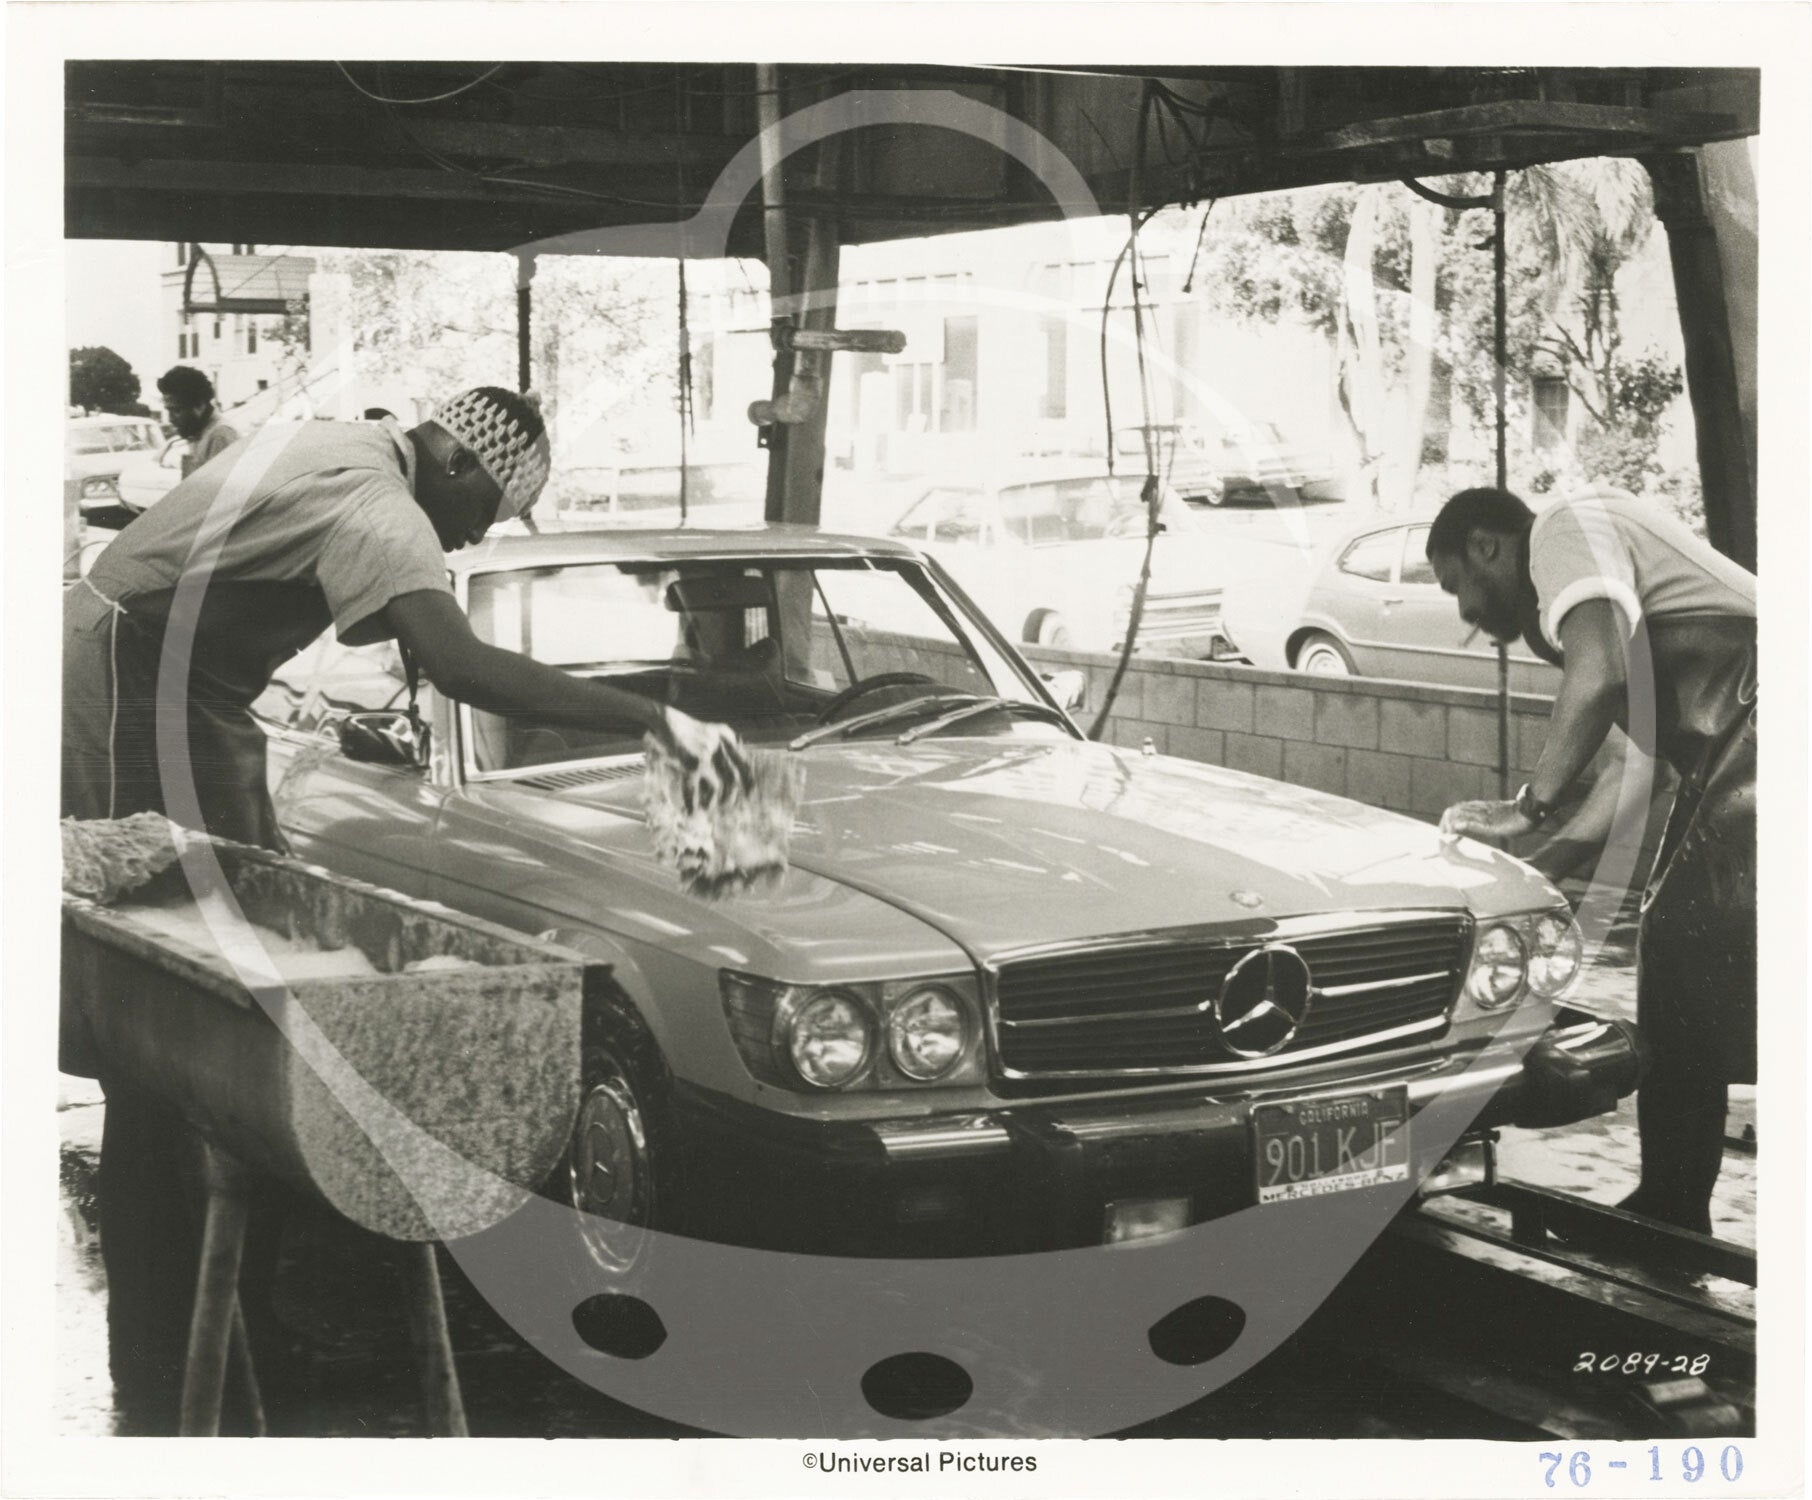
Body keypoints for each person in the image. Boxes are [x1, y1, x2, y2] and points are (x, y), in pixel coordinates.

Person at [62, 386, 749, 1430]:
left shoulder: (340, 439)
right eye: (480, 518)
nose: (468, 539)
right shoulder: (384, 505)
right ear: (463, 467)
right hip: (132, 678)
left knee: (240, 929)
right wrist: (656, 718)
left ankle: (233, 1302)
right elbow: (458, 665)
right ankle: (163, 1363)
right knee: (174, 985)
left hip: (180, 680)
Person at [1427, 485, 1756, 1235]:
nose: (1466, 616)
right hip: (1736, 747)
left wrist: (1525, 807)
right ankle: (1673, 1204)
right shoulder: (1585, 603)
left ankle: (1674, 1204)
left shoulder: (1563, 527)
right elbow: (1638, 773)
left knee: (1687, 948)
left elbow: (1600, 672)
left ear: (1486, 545)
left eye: (1457, 587)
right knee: (1678, 962)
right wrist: (1537, 868)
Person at [156, 365, 241, 478]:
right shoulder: (197, 431)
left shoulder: (219, 436)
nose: (170, 419)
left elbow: (221, 491)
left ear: (199, 405)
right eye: (168, 410)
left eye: (176, 411)